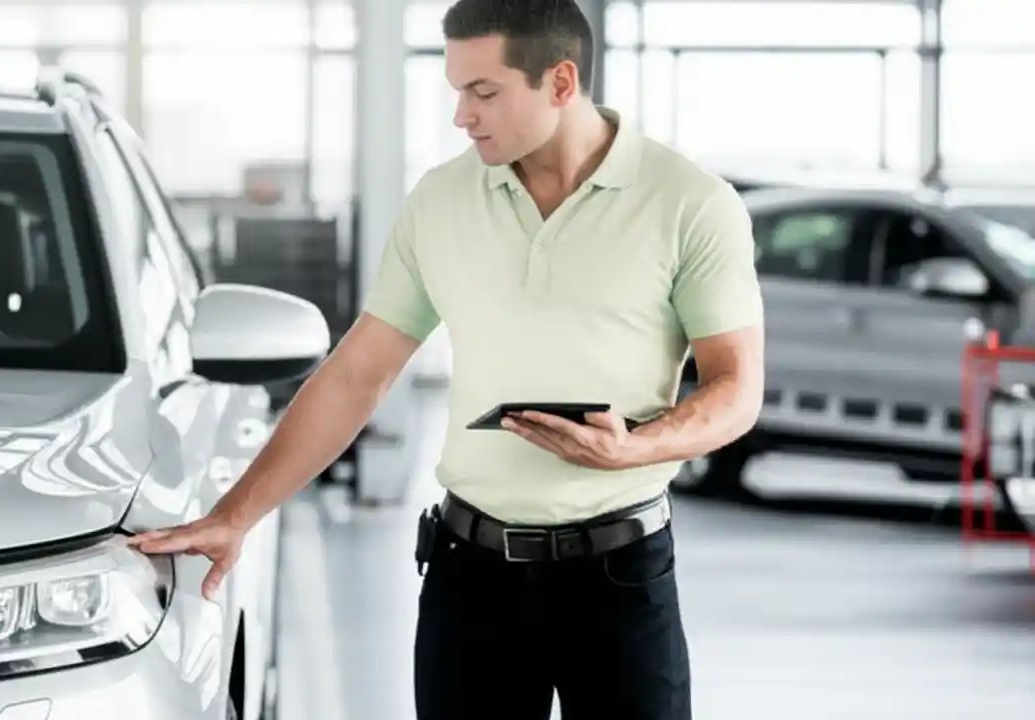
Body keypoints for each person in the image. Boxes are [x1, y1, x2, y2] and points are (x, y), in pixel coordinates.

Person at [130, 0, 765, 717]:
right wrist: (237, 514)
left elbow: (736, 387)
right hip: (472, 580)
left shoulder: (688, 203)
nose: (462, 116)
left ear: (560, 82)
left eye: (484, 92)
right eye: (457, 91)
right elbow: (357, 373)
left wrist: (635, 449)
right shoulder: (440, 201)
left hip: (622, 577)